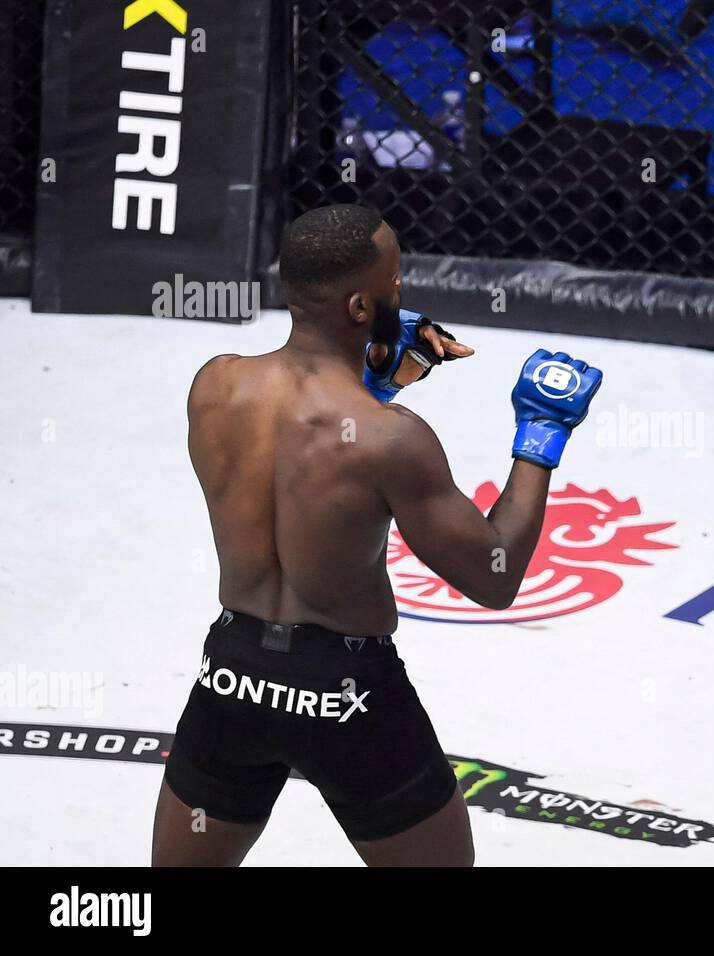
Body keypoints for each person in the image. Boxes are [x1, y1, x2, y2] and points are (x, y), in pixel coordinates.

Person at [151, 203, 602, 866]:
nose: (402, 297)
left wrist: (372, 380)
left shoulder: (213, 386)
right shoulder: (395, 439)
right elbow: (494, 576)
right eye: (394, 289)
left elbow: (306, 441)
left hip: (232, 676)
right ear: (361, 307)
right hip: (345, 691)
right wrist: (540, 436)